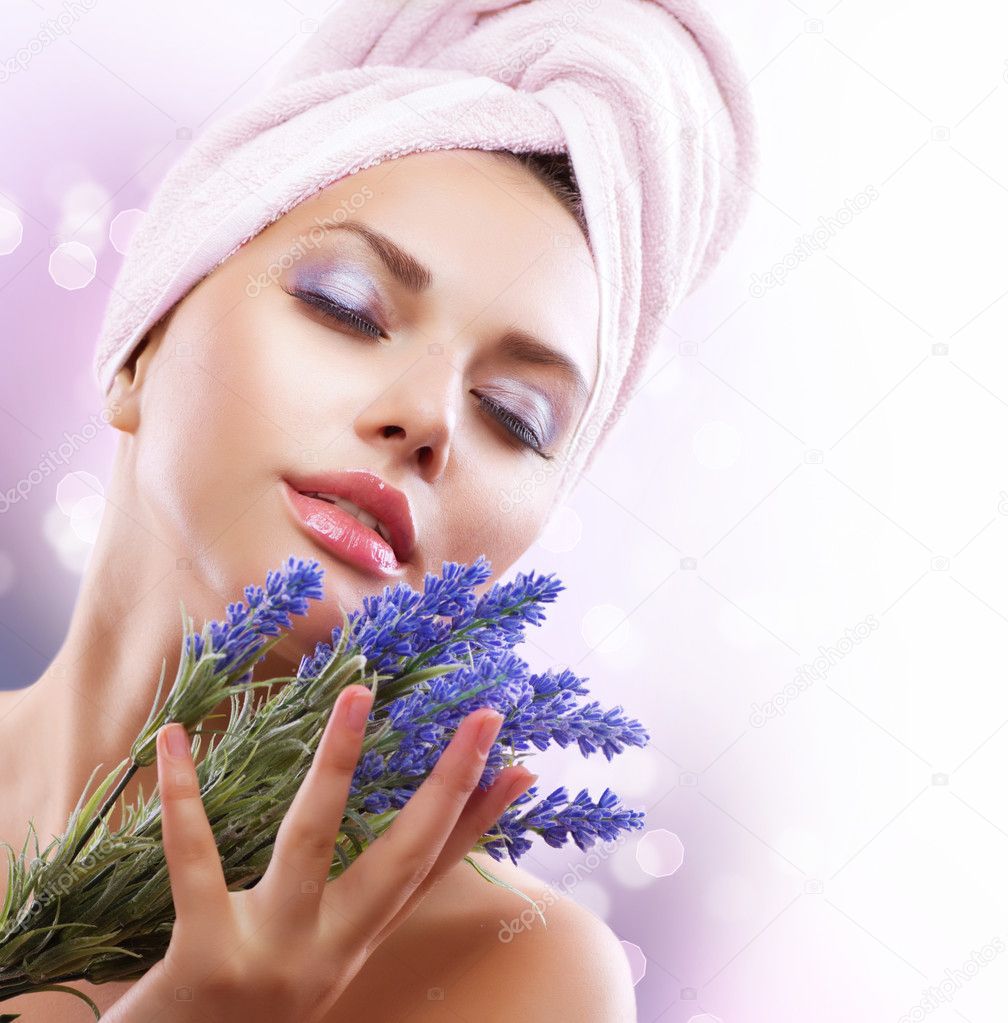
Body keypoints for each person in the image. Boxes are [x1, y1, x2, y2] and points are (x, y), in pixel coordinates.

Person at [0, 0, 758, 1018]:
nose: (427, 416)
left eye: (514, 415)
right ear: (143, 342)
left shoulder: (512, 972)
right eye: (346, 306)